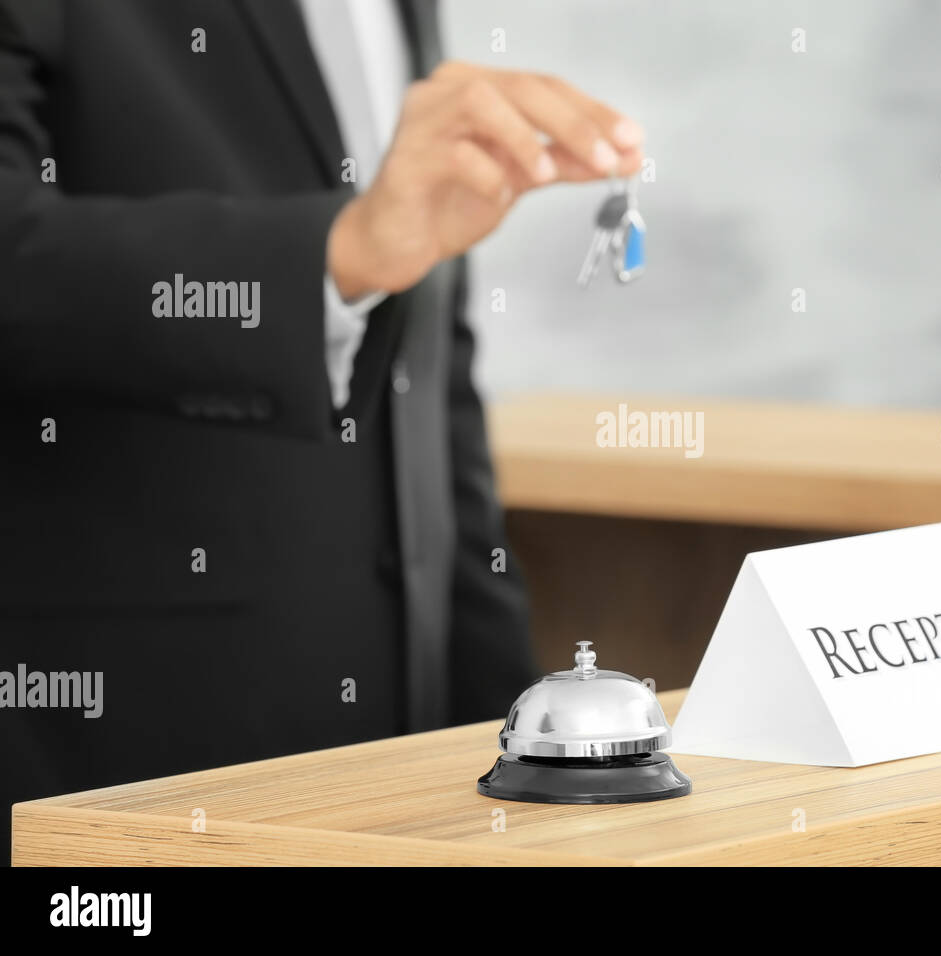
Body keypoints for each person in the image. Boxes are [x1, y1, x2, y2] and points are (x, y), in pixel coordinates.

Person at [0, 0, 644, 862]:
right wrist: (333, 254)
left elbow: (424, 369)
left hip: (401, 770)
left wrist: (515, 744)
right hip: (111, 775)